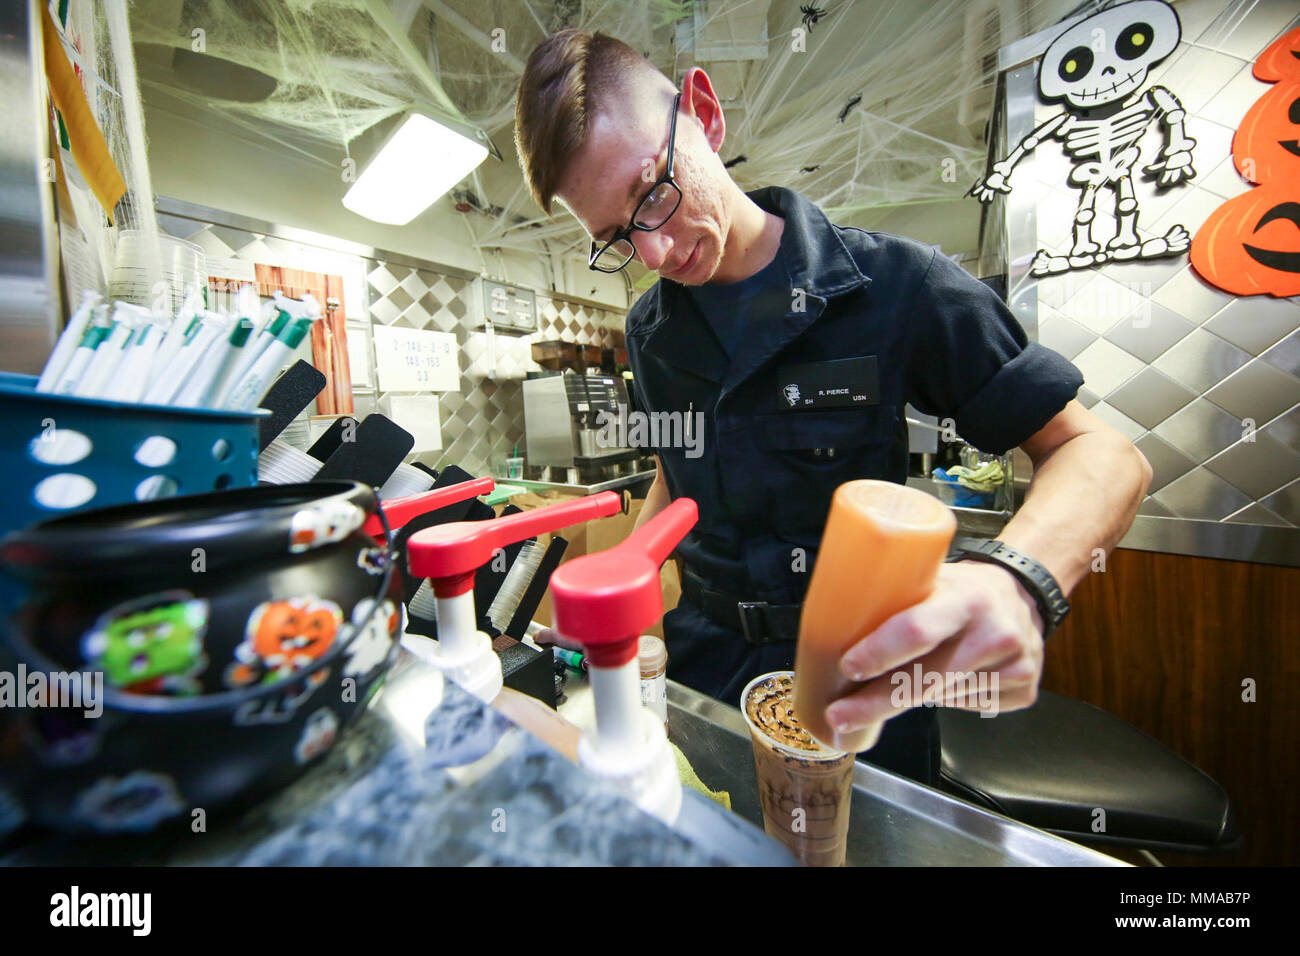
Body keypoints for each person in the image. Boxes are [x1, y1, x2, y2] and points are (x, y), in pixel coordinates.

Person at [514, 30, 1153, 785]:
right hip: (703, 670)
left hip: (861, 678)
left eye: (652, 193)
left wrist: (1017, 577)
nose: (653, 254)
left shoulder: (898, 285)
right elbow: (673, 472)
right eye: (617, 238)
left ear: (705, 115)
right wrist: (619, 587)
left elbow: (1102, 453)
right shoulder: (649, 333)